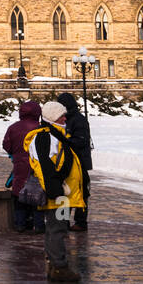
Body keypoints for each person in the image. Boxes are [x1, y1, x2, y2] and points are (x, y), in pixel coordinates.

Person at [23, 100, 84, 283]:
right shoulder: (45, 137)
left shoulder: (56, 135)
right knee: (56, 228)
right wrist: (55, 191)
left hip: (63, 195)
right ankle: (59, 266)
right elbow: (44, 166)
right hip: (58, 195)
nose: (65, 118)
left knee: (59, 227)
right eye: (61, 116)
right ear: (52, 118)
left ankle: (55, 264)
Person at [2, 99, 44, 234]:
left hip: (19, 165)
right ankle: (38, 224)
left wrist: (15, 153)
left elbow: (6, 145)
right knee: (37, 194)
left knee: (19, 193)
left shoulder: (13, 128)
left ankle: (20, 223)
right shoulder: (40, 127)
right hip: (36, 166)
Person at [56, 91, 92, 230]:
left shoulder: (78, 120)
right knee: (63, 191)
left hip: (79, 163)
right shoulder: (64, 119)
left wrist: (65, 141)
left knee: (82, 192)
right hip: (66, 163)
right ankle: (62, 221)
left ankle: (80, 222)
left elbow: (81, 141)